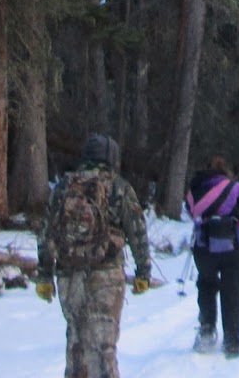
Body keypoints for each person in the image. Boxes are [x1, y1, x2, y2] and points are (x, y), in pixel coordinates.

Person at [35, 133, 152, 378]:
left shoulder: (64, 187)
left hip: (69, 277)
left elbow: (46, 232)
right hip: (106, 276)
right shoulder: (119, 187)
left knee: (75, 342)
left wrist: (44, 275)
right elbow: (137, 230)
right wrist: (143, 271)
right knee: (103, 346)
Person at [185, 154, 239, 359]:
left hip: (203, 248)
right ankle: (232, 341)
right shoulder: (234, 188)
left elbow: (190, 211)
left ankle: (206, 331)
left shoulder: (194, 190)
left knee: (206, 286)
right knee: (233, 292)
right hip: (232, 248)